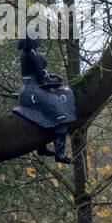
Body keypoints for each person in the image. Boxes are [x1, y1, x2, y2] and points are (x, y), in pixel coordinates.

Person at [12, 33, 75, 164]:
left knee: (42, 115)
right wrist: (55, 80)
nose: (40, 40)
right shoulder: (33, 55)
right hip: (35, 90)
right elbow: (42, 79)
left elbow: (37, 74)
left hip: (26, 89)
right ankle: (60, 153)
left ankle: (41, 148)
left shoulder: (25, 55)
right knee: (61, 114)